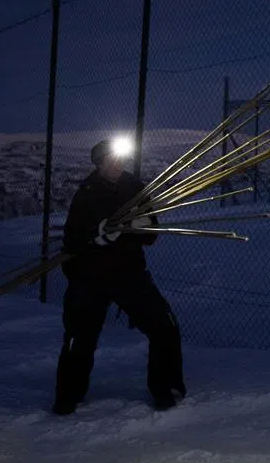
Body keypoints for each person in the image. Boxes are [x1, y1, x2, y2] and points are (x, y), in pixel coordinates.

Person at [53, 138, 186, 415]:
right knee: (80, 338)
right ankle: (68, 395)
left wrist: (141, 227)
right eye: (111, 159)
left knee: (165, 325)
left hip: (128, 273)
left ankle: (166, 387)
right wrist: (98, 234)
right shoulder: (87, 192)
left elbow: (152, 234)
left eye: (121, 159)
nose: (117, 164)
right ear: (99, 162)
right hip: (89, 277)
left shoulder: (135, 189)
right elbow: (73, 239)